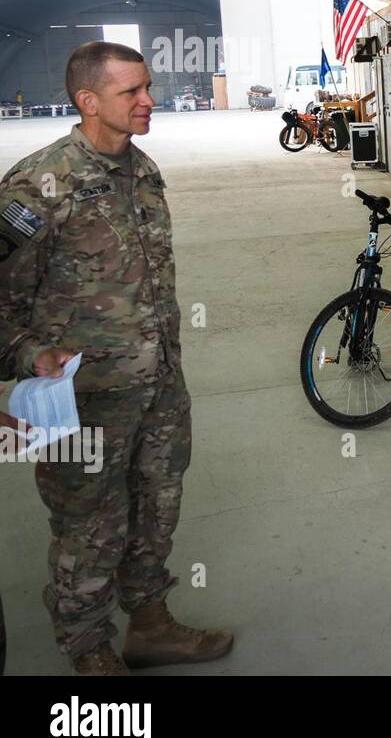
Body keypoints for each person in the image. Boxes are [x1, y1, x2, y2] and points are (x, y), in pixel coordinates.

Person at [0, 41, 232, 675]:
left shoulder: (143, 170)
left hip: (158, 386)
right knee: (87, 528)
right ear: (89, 100)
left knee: (158, 507)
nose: (148, 100)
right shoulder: (38, 184)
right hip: (83, 401)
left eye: (147, 87)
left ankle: (149, 624)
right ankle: (89, 649)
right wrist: (27, 354)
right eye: (132, 91)